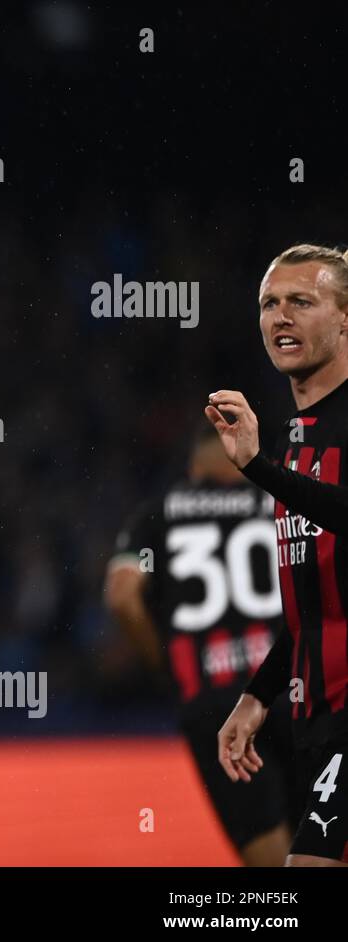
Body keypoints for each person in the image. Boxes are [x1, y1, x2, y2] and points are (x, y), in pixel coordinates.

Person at [212, 243, 348, 866]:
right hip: (315, 712)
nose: (280, 317)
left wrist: (257, 468)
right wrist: (258, 694)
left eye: (302, 301)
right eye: (270, 303)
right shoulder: (298, 442)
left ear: (345, 318)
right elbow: (317, 602)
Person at [106, 425, 296, 865]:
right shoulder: (281, 501)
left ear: (194, 466)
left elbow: (122, 596)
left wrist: (163, 664)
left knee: (266, 848)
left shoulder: (159, 514)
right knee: (321, 837)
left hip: (212, 697)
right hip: (292, 686)